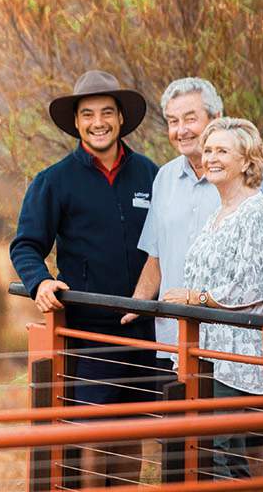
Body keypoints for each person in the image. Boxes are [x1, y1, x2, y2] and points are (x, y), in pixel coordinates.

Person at [10, 70, 159, 486]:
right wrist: (40, 281)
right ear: (75, 123)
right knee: (92, 442)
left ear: (121, 119)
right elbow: (25, 245)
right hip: (89, 335)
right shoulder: (54, 181)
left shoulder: (151, 175)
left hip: (145, 331)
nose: (98, 122)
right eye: (88, 114)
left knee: (134, 438)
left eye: (107, 112)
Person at [122, 78, 263, 359]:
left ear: (216, 118)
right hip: (173, 341)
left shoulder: (257, 173)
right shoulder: (164, 178)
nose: (181, 130)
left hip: (235, 343)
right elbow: (156, 260)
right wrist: (135, 306)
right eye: (172, 121)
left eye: (190, 119)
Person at [159, 117, 263, 479]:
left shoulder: (254, 210)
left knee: (224, 456)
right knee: (210, 454)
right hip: (209, 351)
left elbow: (250, 285)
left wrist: (194, 297)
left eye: (222, 150)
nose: (211, 158)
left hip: (238, 356)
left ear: (247, 162)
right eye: (208, 150)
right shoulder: (220, 213)